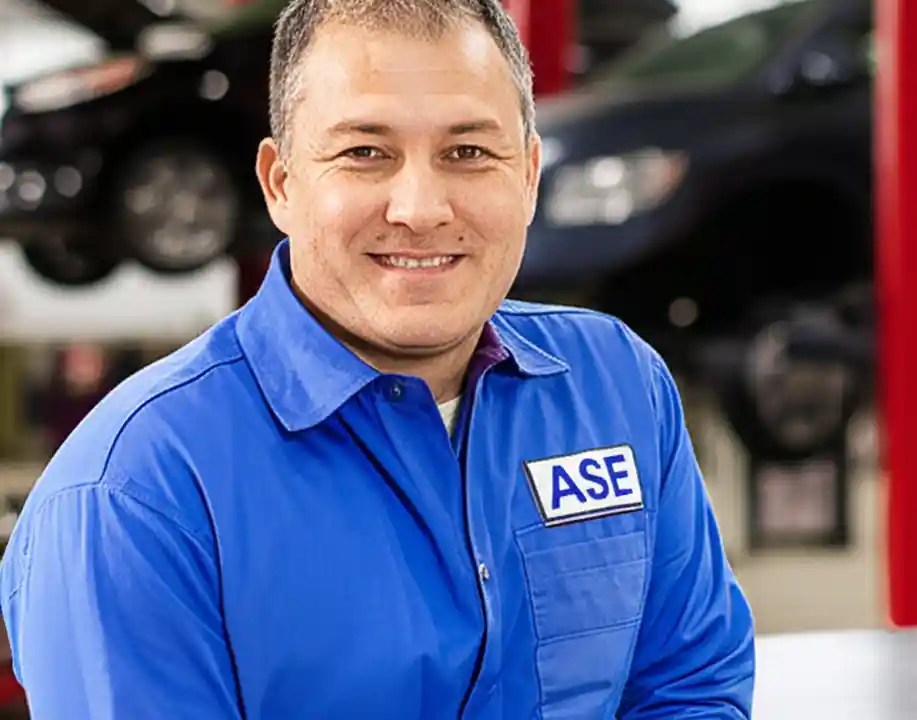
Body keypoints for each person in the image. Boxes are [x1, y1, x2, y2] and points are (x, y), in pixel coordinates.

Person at [0, 1, 755, 717]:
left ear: (527, 175)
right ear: (281, 184)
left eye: (468, 151)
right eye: (365, 153)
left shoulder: (617, 389)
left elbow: (691, 689)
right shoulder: (133, 497)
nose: (421, 208)